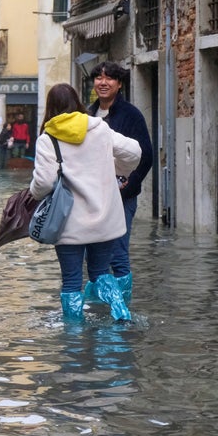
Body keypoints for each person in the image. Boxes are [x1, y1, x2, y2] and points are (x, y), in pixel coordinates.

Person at [29, 83, 141, 322]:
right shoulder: (100, 129)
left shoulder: (48, 139)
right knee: (101, 273)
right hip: (105, 220)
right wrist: (120, 173)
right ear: (77, 103)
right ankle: (120, 310)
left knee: (71, 281)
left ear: (50, 108)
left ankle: (74, 337)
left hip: (69, 224)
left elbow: (44, 183)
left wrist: (33, 194)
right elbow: (134, 152)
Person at [84, 61, 153, 305]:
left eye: (109, 78)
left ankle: (122, 308)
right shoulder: (88, 114)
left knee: (117, 253)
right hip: (93, 197)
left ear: (119, 83)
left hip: (122, 195)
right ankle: (103, 305)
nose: (103, 83)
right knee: (94, 254)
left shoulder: (131, 114)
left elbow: (146, 155)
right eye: (99, 78)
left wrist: (129, 187)